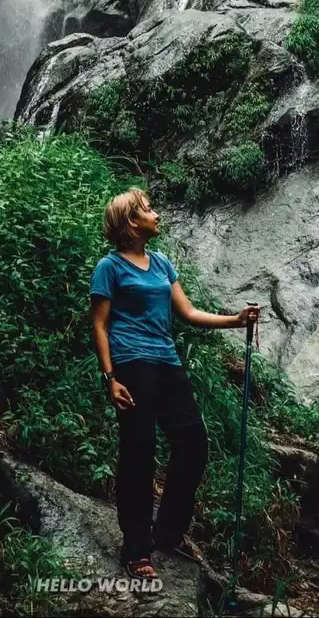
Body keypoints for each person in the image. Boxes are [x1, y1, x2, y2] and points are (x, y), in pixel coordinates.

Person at [89, 188, 260, 581]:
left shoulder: (162, 263)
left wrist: (236, 320)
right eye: (148, 210)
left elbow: (187, 312)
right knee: (139, 451)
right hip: (132, 365)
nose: (156, 214)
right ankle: (136, 549)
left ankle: (166, 533)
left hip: (167, 363)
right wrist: (110, 378)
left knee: (193, 443)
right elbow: (98, 324)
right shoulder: (109, 267)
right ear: (131, 223)